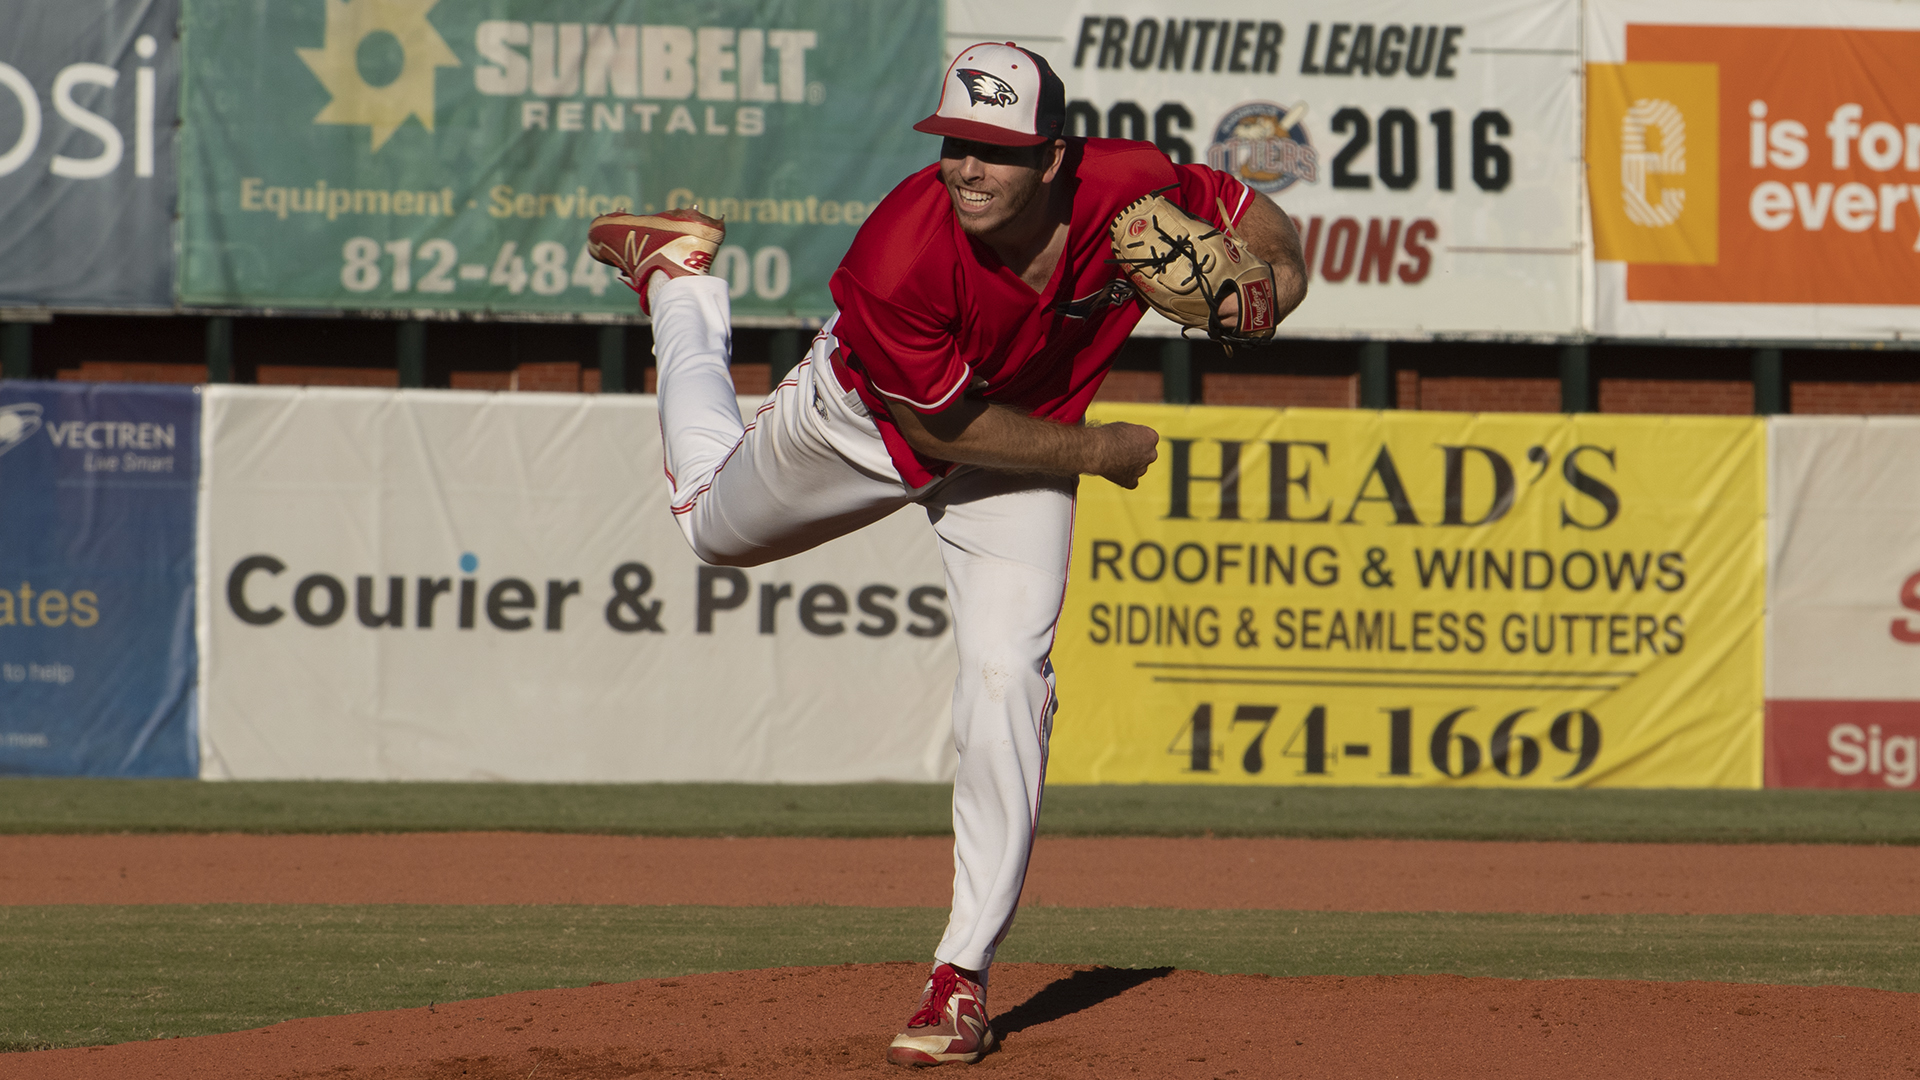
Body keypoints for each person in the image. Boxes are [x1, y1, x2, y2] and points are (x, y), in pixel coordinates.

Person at [587, 41, 1306, 1067]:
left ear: (1055, 157)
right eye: (956, 143)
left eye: (995, 150)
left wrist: (1273, 287)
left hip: (1018, 450)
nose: (967, 168)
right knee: (710, 528)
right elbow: (949, 433)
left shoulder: (1130, 184)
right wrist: (1100, 451)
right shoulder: (899, 250)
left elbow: (1259, 224)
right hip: (869, 423)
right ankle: (681, 289)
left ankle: (959, 976)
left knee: (1010, 675)